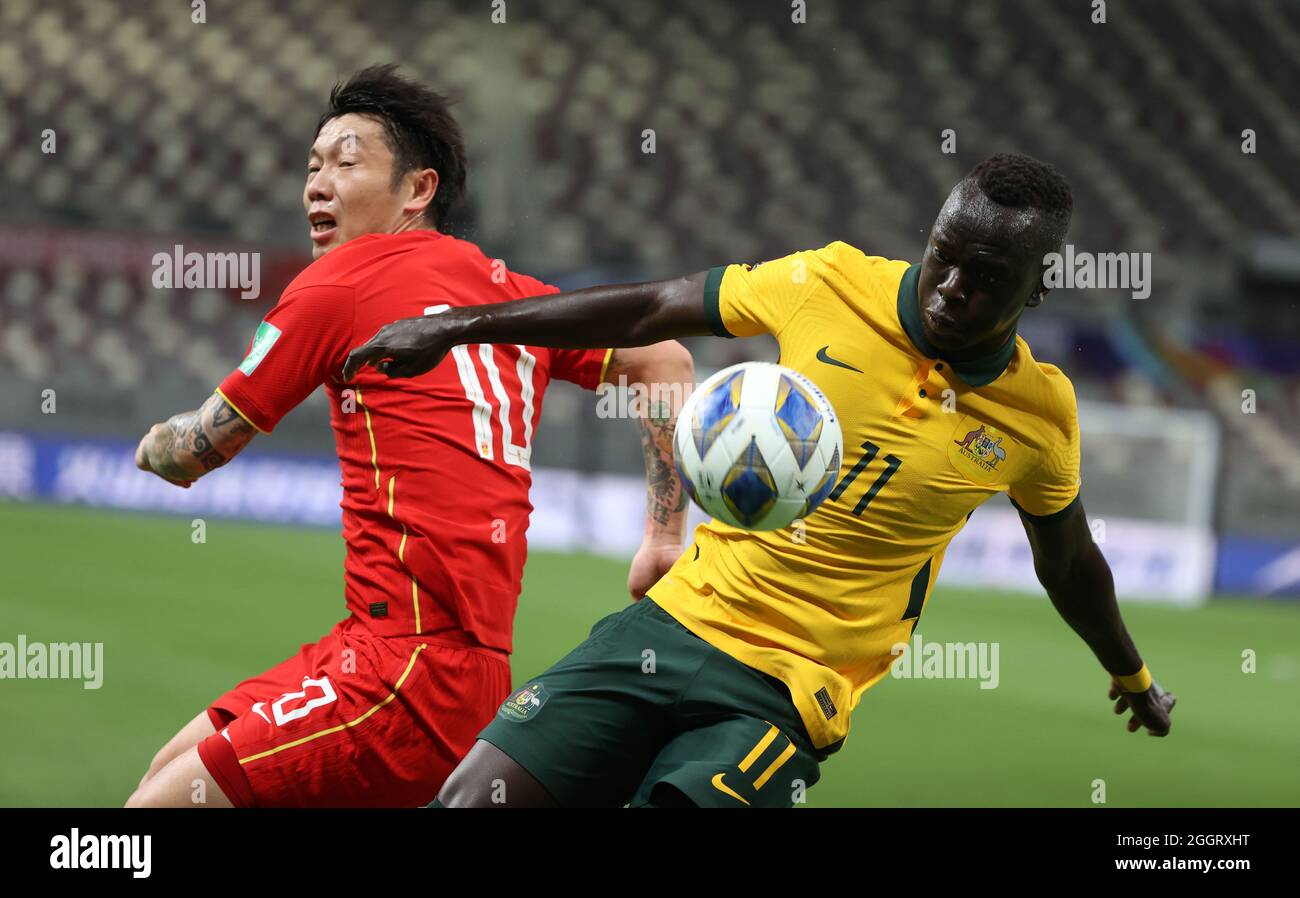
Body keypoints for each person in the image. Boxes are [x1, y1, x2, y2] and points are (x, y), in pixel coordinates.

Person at [345, 152, 1177, 808]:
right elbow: (647, 310)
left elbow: (1068, 563)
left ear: (1040, 284)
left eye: (988, 278)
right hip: (670, 627)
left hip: (790, 691)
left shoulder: (1039, 415)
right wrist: (461, 325)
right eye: (944, 258)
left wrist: (1131, 673)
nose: (953, 288)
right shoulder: (829, 283)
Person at [126, 65, 693, 807]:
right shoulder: (507, 294)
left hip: (402, 678)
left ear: (417, 191)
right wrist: (664, 534)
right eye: (313, 166)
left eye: (347, 162)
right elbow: (665, 360)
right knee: (169, 767)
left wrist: (151, 442)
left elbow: (189, 452)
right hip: (415, 659)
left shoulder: (338, 285)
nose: (317, 185)